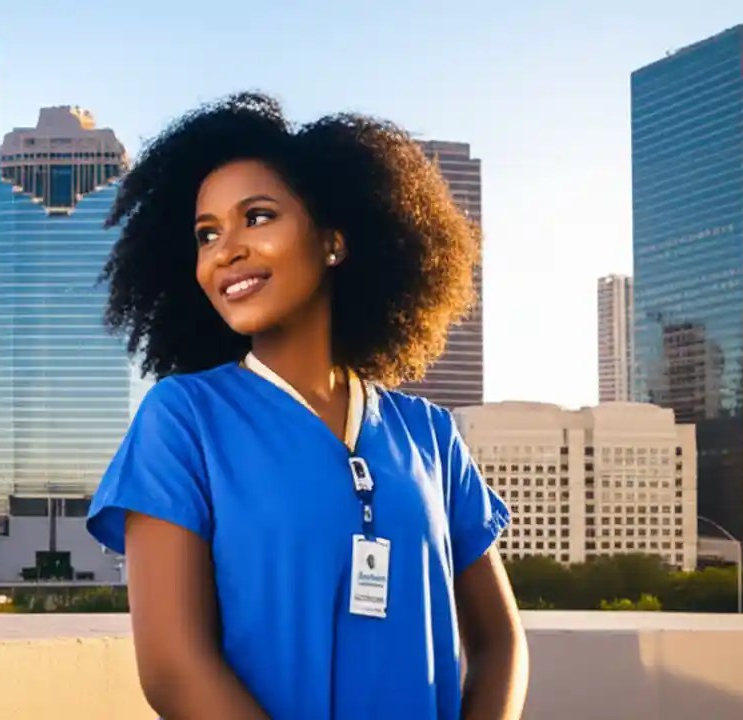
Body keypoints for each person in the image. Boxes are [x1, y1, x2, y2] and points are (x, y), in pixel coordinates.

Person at [88, 92, 528, 720]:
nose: (224, 250)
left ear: (334, 242)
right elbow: (173, 669)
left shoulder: (431, 434)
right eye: (206, 234)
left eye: (258, 217)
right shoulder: (183, 419)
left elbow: (500, 641)